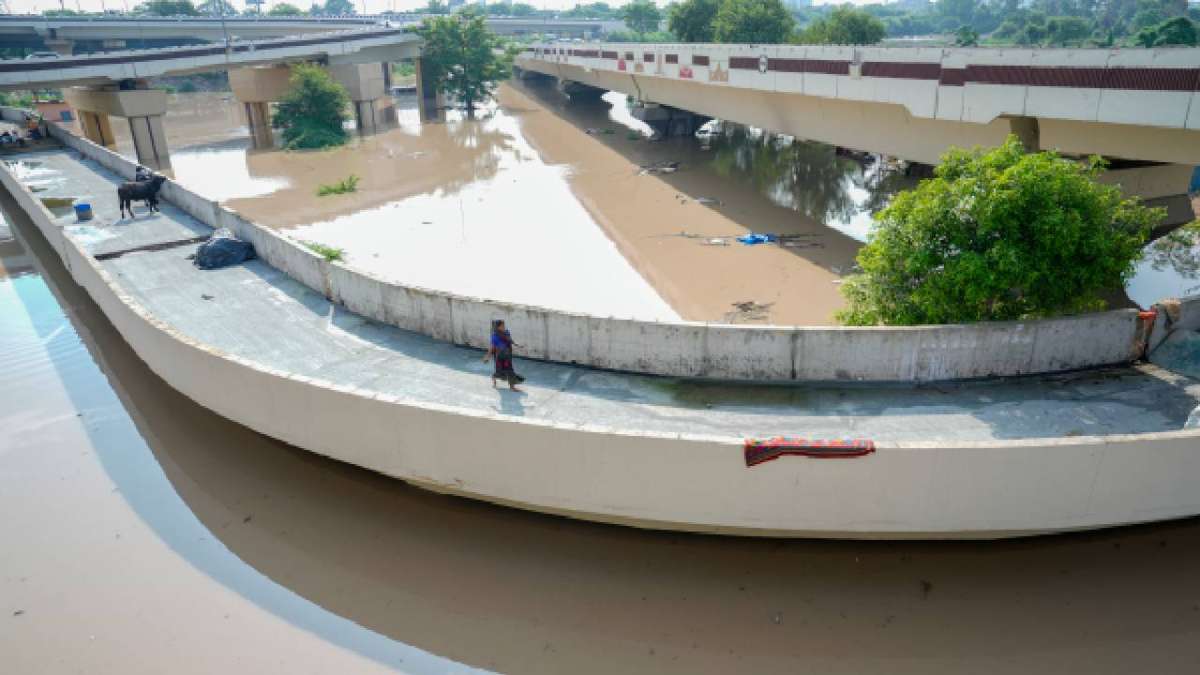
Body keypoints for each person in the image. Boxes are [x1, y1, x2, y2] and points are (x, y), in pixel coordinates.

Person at [483, 319, 525, 390]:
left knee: (510, 370)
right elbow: (492, 347)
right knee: (500, 371)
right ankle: (494, 377)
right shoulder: (494, 336)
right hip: (500, 356)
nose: (504, 326)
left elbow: (510, 340)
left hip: (507, 354)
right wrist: (487, 357)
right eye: (502, 325)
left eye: (504, 325)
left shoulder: (506, 332)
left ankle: (512, 387)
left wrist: (517, 344)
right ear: (498, 327)